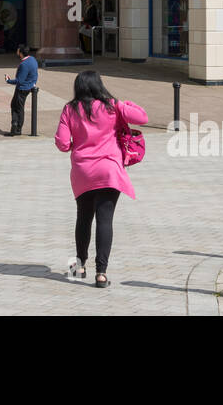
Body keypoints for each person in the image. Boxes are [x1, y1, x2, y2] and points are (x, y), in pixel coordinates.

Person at [54, 70, 148, 288]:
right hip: (109, 170)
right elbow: (142, 117)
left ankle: (78, 267)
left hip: (82, 171)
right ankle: (102, 274)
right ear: (99, 86)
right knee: (105, 220)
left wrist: (73, 144)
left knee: (83, 217)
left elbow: (62, 143)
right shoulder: (112, 106)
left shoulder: (69, 108)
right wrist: (120, 101)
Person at [4, 45, 39, 137]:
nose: (16, 52)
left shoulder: (24, 64)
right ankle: (16, 127)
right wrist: (33, 83)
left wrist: (8, 80)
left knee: (17, 108)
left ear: (21, 53)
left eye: (17, 51)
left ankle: (16, 128)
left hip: (22, 89)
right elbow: (35, 74)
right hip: (29, 86)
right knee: (17, 106)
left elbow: (19, 80)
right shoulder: (32, 59)